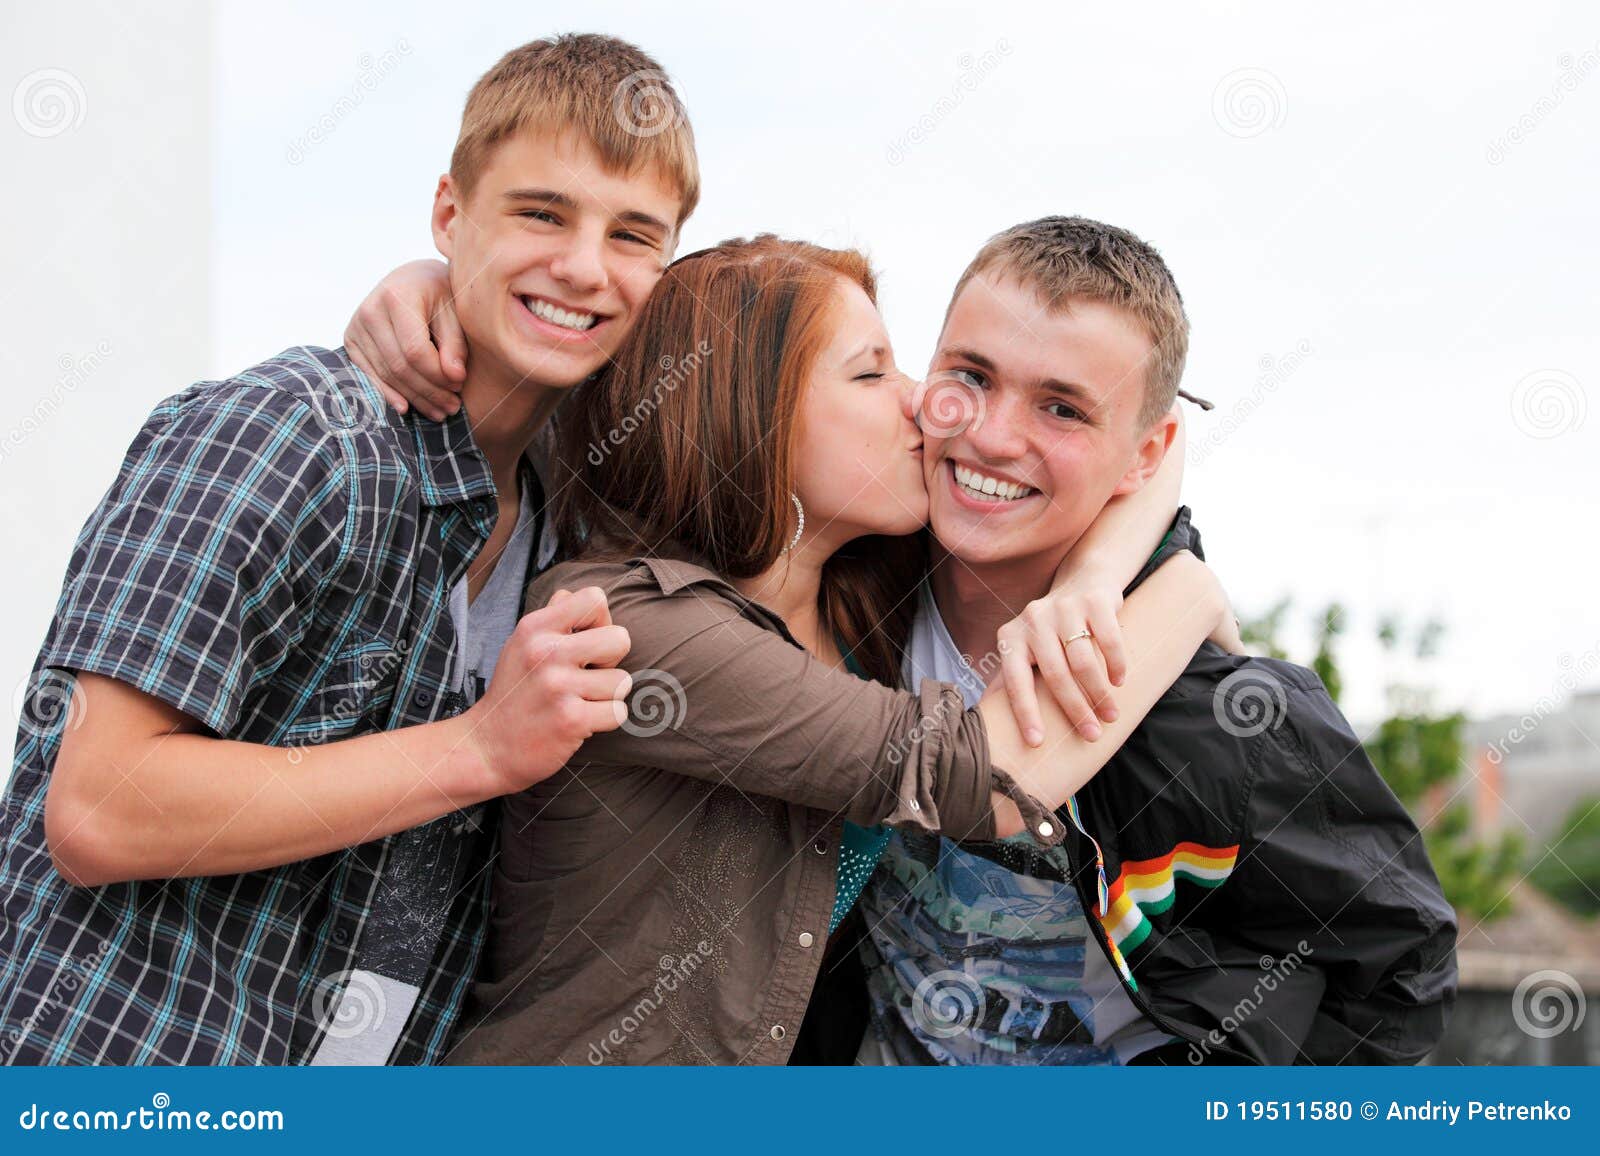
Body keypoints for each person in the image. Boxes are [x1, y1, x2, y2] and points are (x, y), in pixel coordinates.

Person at [362, 217, 1457, 1066]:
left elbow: (1389, 964)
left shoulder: (883, 610)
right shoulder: (698, 616)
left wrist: (1111, 572)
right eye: (941, 377)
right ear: (755, 413)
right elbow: (978, 774)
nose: (955, 422)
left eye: (1062, 408)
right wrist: (432, 287)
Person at [0, 33, 696, 1066]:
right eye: (540, 212)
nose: (586, 265)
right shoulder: (289, 435)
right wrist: (478, 750)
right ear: (450, 215)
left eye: (633, 234)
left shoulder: (571, 517)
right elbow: (101, 807)